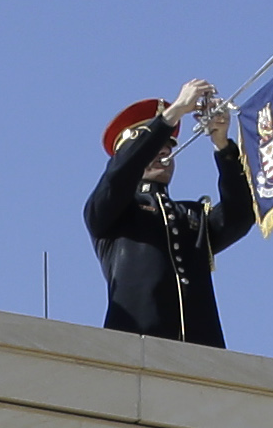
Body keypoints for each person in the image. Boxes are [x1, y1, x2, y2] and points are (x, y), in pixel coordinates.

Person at [82, 87, 254, 346]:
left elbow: (240, 216)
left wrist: (223, 146)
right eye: (153, 148)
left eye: (167, 148)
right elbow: (118, 176)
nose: (163, 153)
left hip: (200, 351)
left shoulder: (190, 216)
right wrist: (171, 116)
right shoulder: (112, 210)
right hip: (133, 346)